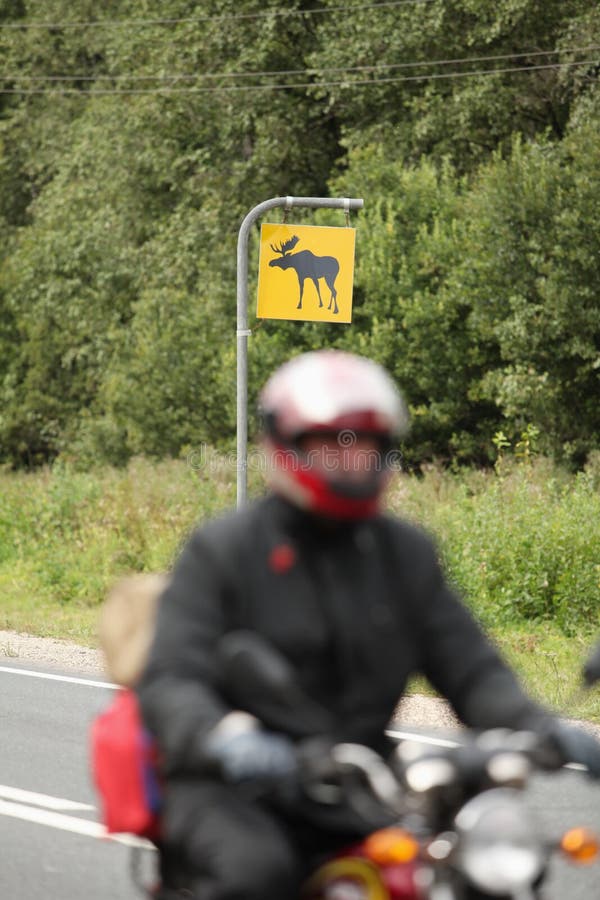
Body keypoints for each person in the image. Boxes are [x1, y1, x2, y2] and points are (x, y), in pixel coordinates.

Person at [136, 349, 600, 900]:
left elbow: (472, 671)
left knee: (472, 874)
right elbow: (171, 680)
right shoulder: (224, 551)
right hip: (236, 788)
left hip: (358, 781)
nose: (349, 460)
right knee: (255, 876)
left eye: (364, 446)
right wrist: (226, 739)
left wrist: (540, 726)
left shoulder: (405, 554)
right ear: (285, 446)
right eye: (331, 444)